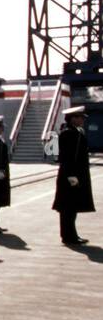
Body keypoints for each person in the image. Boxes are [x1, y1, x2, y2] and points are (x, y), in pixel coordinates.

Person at [53, 105, 93, 246]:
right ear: (72, 118)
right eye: (80, 117)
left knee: (72, 207)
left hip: (74, 176)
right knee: (68, 208)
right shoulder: (68, 134)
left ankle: (71, 234)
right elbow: (67, 157)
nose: (82, 119)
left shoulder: (76, 132)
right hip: (70, 177)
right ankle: (68, 236)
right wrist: (71, 175)